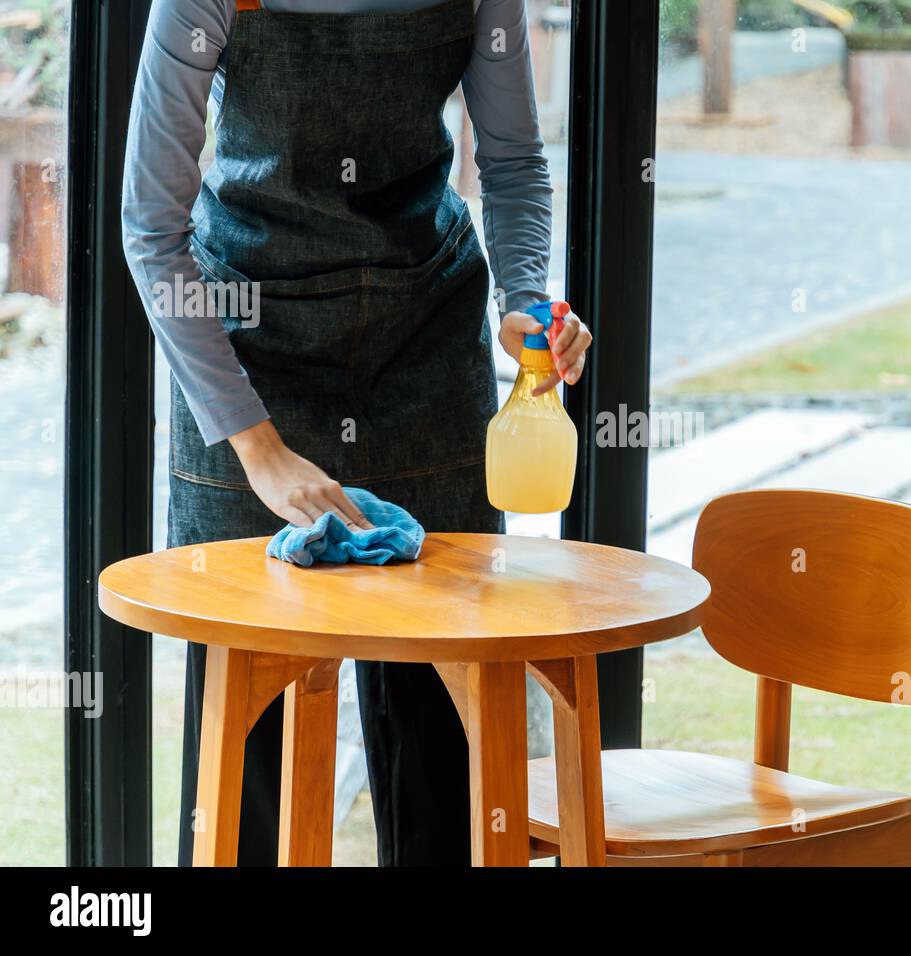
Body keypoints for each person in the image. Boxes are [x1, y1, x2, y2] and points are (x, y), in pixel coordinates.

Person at [121, 0, 591, 866]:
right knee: (250, 743)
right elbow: (153, 231)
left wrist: (526, 308)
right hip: (249, 342)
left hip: (426, 337)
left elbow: (516, 167)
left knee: (443, 728)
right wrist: (257, 448)